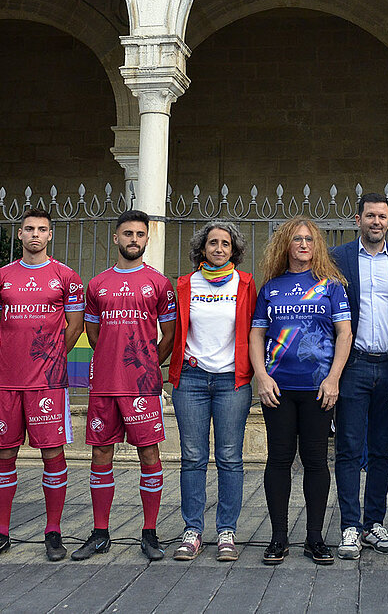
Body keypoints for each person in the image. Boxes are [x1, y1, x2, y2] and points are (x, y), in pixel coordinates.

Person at [0, 208, 84, 563]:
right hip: (6, 381)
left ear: (50, 235)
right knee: (4, 453)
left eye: (42, 229)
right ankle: (0, 532)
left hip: (48, 383)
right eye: (29, 229)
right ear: (19, 234)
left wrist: (47, 359)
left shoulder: (66, 276)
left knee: (53, 453)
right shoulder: (1, 276)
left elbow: (75, 326)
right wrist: (17, 357)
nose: (35, 234)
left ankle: (53, 532)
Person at [70, 210, 176, 562]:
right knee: (101, 454)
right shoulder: (97, 284)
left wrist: (147, 362)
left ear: (147, 240)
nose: (133, 239)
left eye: (140, 234)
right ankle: (101, 533)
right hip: (104, 384)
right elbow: (93, 332)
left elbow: (170, 336)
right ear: (116, 238)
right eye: (127, 233)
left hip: (141, 385)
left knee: (149, 454)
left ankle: (149, 532)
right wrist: (111, 359)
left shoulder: (159, 284)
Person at [250, 218, 352, 565]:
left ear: (317, 245)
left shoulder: (331, 286)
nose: (304, 244)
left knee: (315, 461)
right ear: (286, 245)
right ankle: (278, 538)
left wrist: (334, 378)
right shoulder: (271, 288)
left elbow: (345, 334)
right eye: (297, 239)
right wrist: (261, 377)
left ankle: (314, 538)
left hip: (318, 389)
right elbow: (256, 336)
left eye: (309, 239)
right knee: (278, 460)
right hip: (278, 388)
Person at [330, 192, 388, 559]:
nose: (376, 222)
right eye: (370, 216)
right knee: (350, 449)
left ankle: (374, 523)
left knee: (382, 450)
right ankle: (350, 527)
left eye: (382, 216)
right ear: (358, 219)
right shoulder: (338, 259)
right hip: (351, 366)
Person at [168, 221, 257, 562]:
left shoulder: (245, 283)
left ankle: (226, 532)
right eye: (212, 243)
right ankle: (192, 531)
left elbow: (253, 329)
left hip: (231, 381)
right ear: (201, 249)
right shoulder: (186, 283)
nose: (218, 248)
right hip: (191, 380)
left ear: (234, 250)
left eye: (225, 243)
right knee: (192, 457)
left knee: (230, 457)